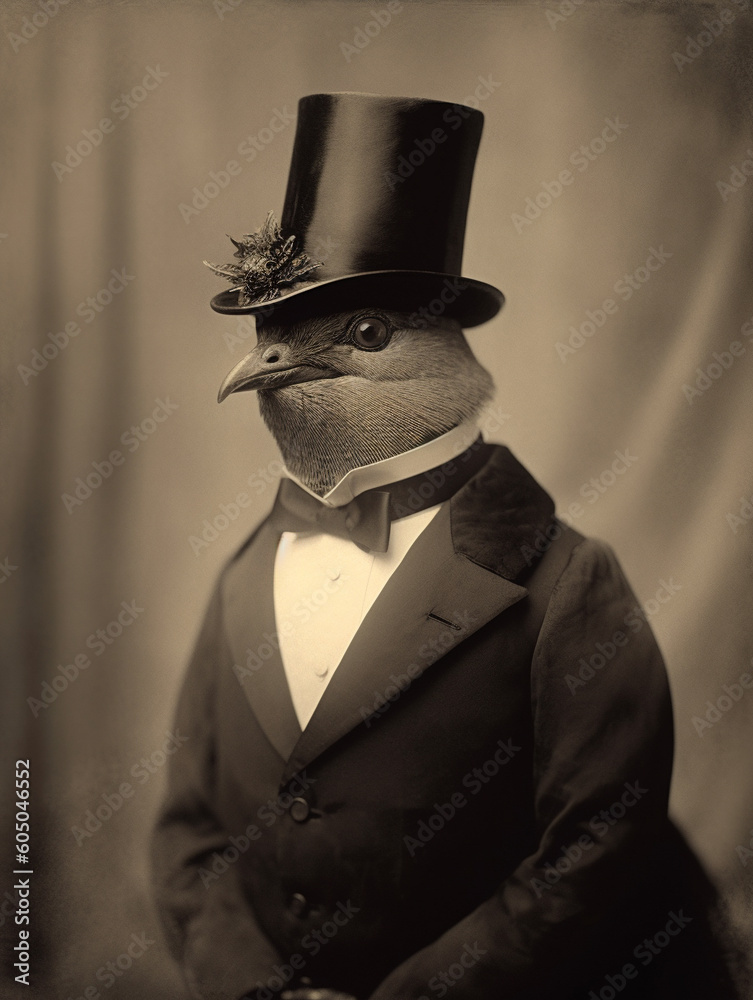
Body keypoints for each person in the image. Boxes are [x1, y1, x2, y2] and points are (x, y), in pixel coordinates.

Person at [151, 93, 745, 1000]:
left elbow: (596, 851)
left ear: (446, 356)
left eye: (365, 334)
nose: (268, 361)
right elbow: (188, 831)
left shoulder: (570, 585)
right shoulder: (243, 575)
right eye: (267, 340)